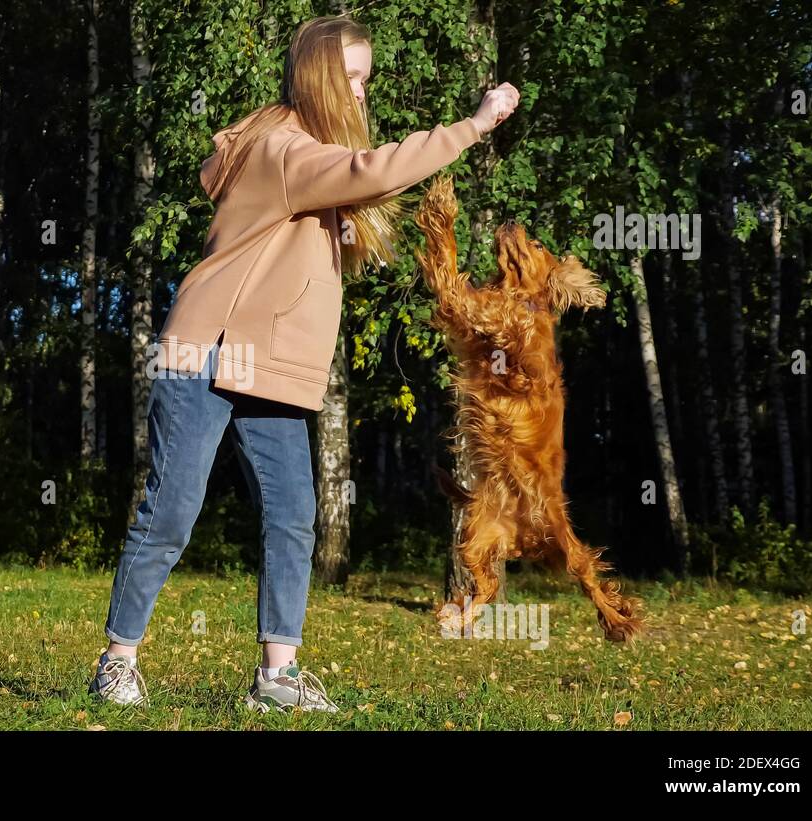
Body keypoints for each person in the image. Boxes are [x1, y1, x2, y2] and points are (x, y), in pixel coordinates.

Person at [90, 14, 519, 711]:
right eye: (352, 77)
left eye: (366, 80)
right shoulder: (283, 150)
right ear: (320, 75)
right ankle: (117, 659)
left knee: (293, 514)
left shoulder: (304, 160)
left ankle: (276, 676)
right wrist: (473, 126)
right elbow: (369, 169)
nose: (360, 91)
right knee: (171, 509)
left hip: (268, 362)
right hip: (206, 348)